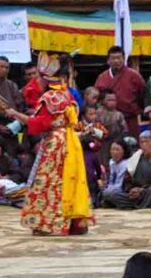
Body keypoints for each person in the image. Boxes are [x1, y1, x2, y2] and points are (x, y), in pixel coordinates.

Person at [7, 53, 93, 235]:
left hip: (56, 143)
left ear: (46, 79)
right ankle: (75, 223)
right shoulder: (67, 95)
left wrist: (16, 115)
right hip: (70, 141)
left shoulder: (50, 98)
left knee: (50, 183)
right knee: (71, 181)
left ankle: (46, 224)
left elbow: (38, 124)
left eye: (38, 77)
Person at [101, 132, 151, 209]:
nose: (143, 145)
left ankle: (137, 205)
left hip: (147, 192)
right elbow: (127, 180)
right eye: (141, 142)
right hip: (133, 195)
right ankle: (140, 205)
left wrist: (142, 190)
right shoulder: (134, 159)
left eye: (146, 142)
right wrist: (131, 190)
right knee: (109, 194)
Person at [94, 45, 147, 137]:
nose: (116, 61)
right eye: (113, 58)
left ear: (124, 59)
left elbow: (143, 95)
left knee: (131, 145)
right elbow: (96, 99)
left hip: (129, 119)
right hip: (108, 121)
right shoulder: (102, 78)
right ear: (108, 61)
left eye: (119, 58)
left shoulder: (133, 75)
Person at [100, 140, 130, 206]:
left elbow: (119, 185)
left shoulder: (126, 164)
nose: (114, 152)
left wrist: (108, 190)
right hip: (112, 189)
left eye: (117, 150)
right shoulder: (112, 163)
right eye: (112, 149)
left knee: (109, 194)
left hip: (121, 191)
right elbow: (111, 180)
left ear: (124, 151)